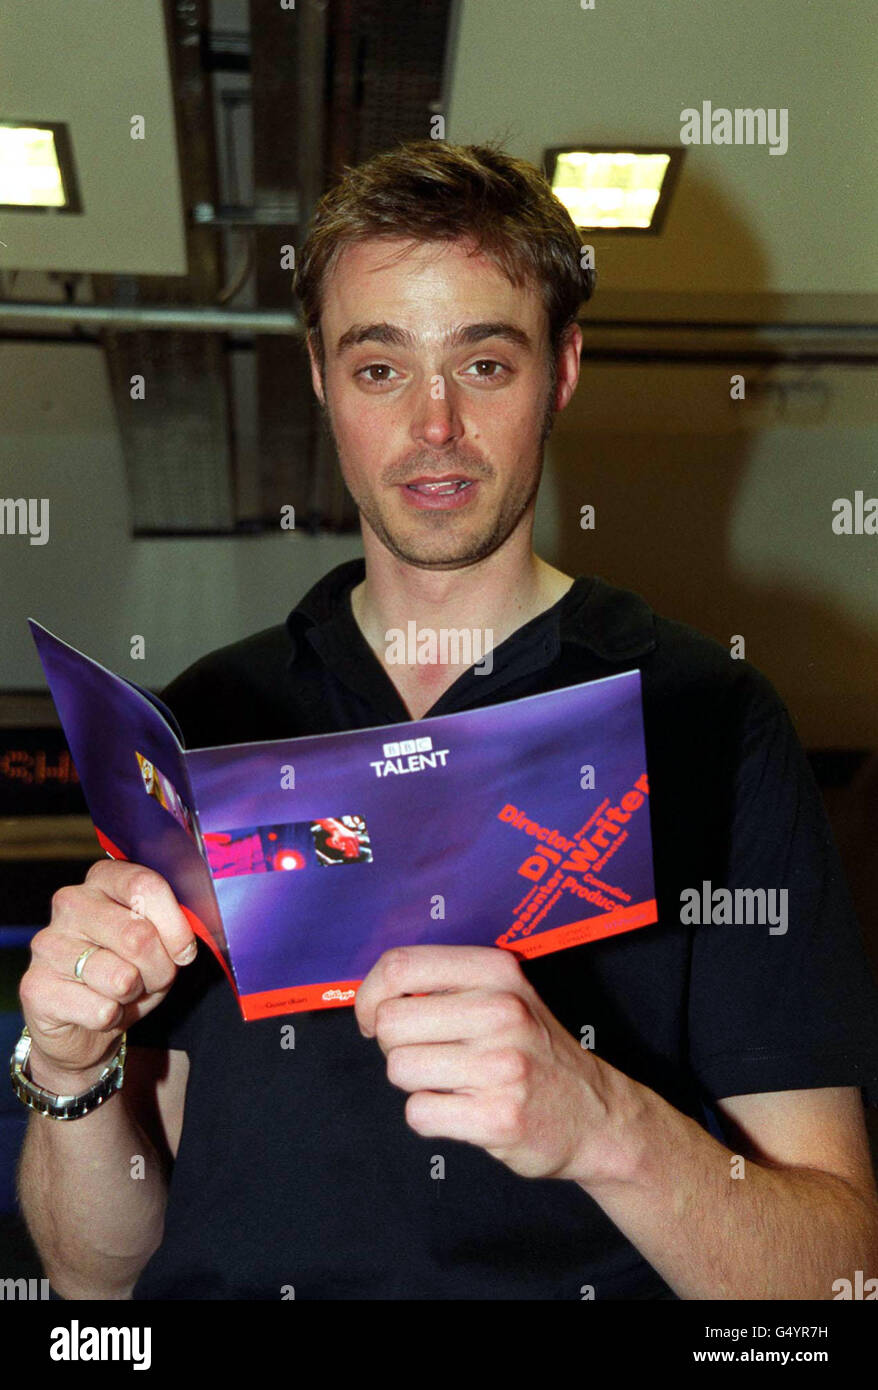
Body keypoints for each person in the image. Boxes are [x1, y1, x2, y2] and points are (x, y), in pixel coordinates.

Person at [13, 141, 878, 1301]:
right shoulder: (208, 721)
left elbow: (837, 1276)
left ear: (561, 369)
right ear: (319, 376)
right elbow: (92, 1277)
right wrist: (73, 1068)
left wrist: (604, 1123)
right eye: (380, 369)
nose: (432, 426)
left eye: (482, 362)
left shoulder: (705, 718)